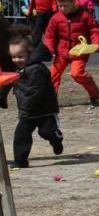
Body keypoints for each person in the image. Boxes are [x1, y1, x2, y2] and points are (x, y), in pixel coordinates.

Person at [2, 35, 62, 167]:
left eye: (20, 56)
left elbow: (36, 91)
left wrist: (26, 107)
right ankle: (21, 161)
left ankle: (56, 139)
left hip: (44, 109)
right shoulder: (19, 69)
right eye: (13, 57)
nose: (16, 60)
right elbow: (10, 82)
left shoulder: (36, 69)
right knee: (21, 135)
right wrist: (2, 97)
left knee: (46, 132)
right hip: (27, 112)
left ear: (29, 53)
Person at [44, 0, 99, 103]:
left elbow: (94, 29)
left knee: (77, 74)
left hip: (80, 51)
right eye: (59, 6)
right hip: (62, 52)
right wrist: (49, 49)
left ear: (73, 2)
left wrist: (97, 43)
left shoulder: (84, 15)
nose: (62, 9)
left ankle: (94, 93)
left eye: (65, 6)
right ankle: (51, 100)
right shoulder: (56, 18)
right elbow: (49, 35)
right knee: (53, 75)